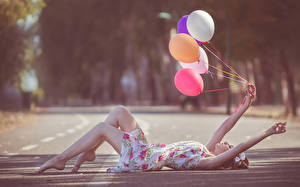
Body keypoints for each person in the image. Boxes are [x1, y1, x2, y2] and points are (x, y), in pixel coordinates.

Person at [36, 85, 286, 173]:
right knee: (119, 111)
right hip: (146, 150)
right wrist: (245, 105)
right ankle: (88, 153)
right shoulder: (206, 150)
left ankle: (60, 159)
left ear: (226, 158)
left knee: (103, 127)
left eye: (229, 150)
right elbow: (224, 127)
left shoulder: (207, 163)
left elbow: (240, 146)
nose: (227, 144)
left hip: (141, 161)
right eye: (229, 145)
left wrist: (267, 132)